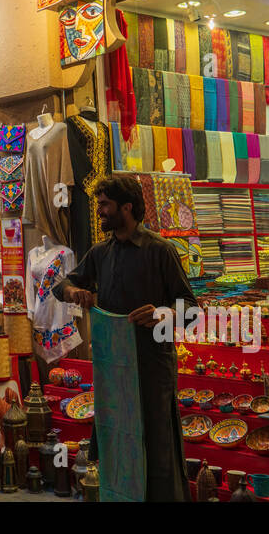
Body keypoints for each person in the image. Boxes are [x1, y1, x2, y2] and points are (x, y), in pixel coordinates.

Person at [53, 175, 195, 501]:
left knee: (157, 445)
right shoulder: (101, 253)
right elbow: (60, 285)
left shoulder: (160, 250)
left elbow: (191, 307)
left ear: (126, 207)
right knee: (117, 440)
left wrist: (163, 313)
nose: (99, 211)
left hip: (151, 366)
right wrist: (76, 291)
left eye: (105, 205)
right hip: (113, 368)